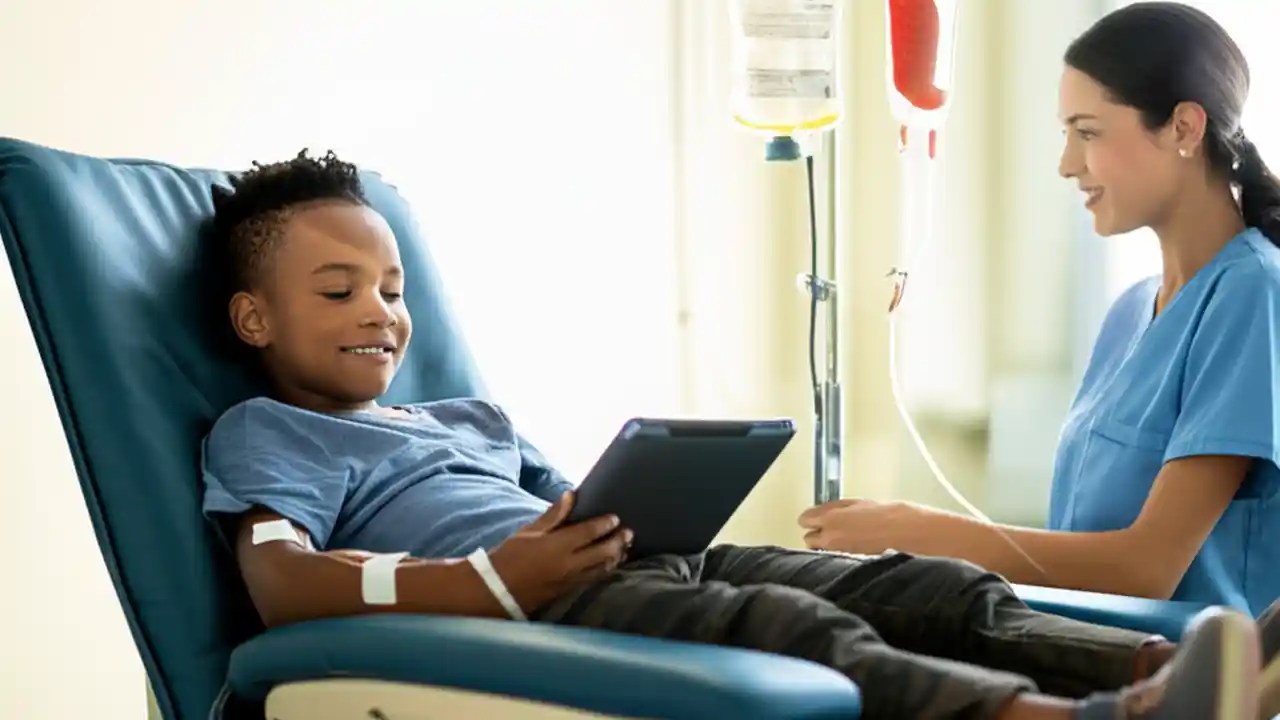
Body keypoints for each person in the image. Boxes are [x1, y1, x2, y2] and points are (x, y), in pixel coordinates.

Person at [200, 149, 1276, 720]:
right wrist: (495, 578)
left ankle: (1171, 664)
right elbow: (284, 587)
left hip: (618, 566)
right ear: (255, 320)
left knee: (908, 585)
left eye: (389, 288)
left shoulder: (460, 415)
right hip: (531, 609)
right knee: (787, 627)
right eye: (338, 291)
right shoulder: (270, 433)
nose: (381, 313)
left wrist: (625, 507)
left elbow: (569, 501)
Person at [800, 2, 1280, 618]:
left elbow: (1146, 569)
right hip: (1081, 647)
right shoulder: (1131, 313)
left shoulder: (1252, 294)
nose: (1067, 163)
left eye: (1088, 132)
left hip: (1184, 677)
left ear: (1185, 128)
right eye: (1066, 134)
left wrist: (915, 530)